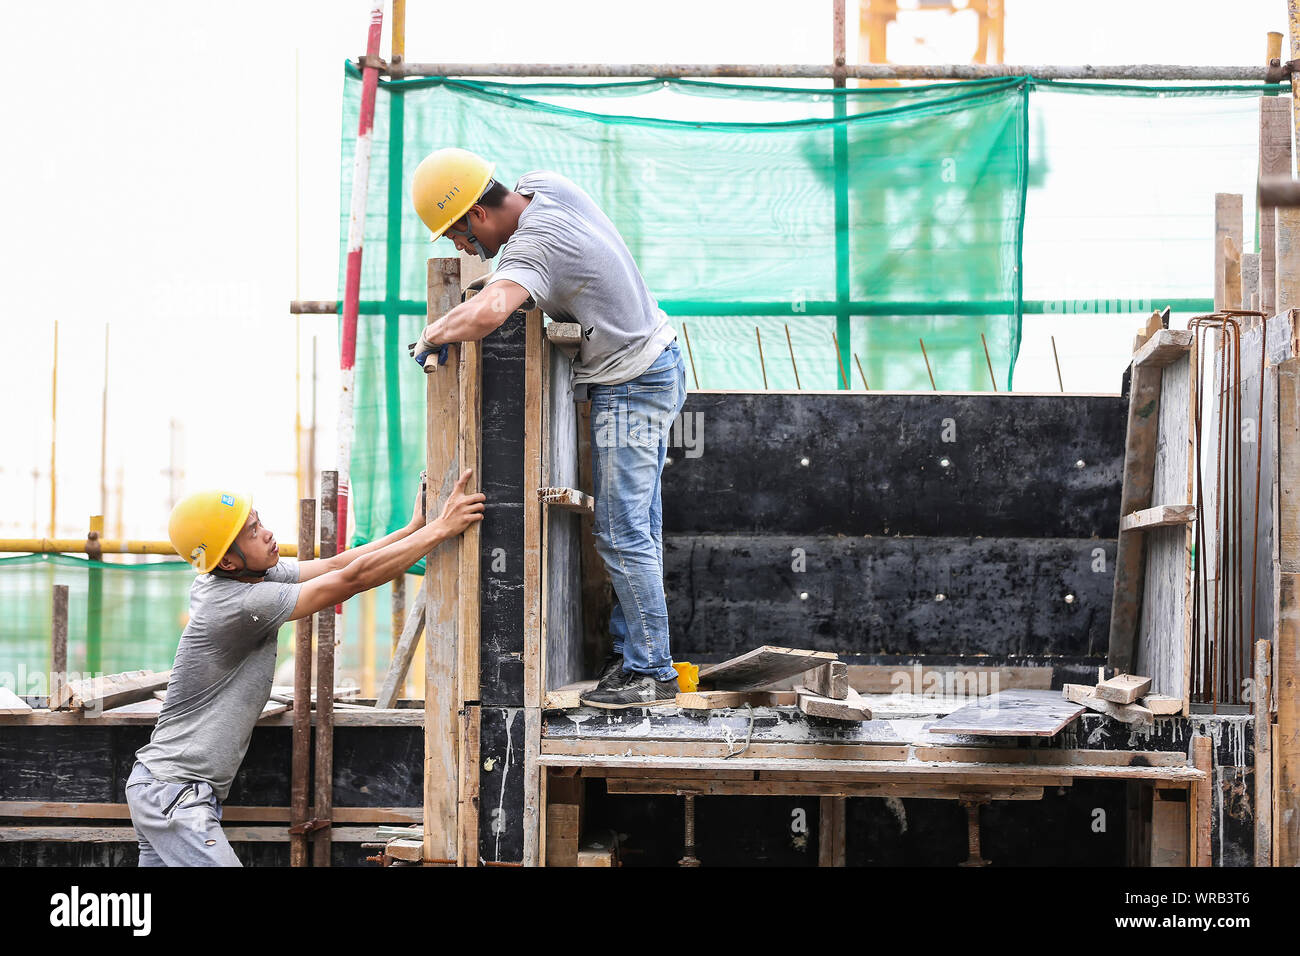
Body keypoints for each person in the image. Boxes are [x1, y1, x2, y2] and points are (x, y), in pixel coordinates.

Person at [409, 147, 686, 709]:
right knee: (640, 527)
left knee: (620, 529)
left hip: (631, 384)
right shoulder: (545, 186)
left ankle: (651, 671)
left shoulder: (532, 251)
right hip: (658, 362)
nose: (463, 249)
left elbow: (490, 312)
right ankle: (638, 653)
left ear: (477, 215)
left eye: (459, 236)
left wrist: (435, 334)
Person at [125, 470, 484, 866]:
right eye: (251, 532)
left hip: (168, 790)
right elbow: (352, 579)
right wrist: (441, 530)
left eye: (259, 521)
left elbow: (337, 563)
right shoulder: (242, 603)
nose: (265, 533)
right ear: (227, 560)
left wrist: (415, 528)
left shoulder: (241, 579)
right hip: (175, 793)